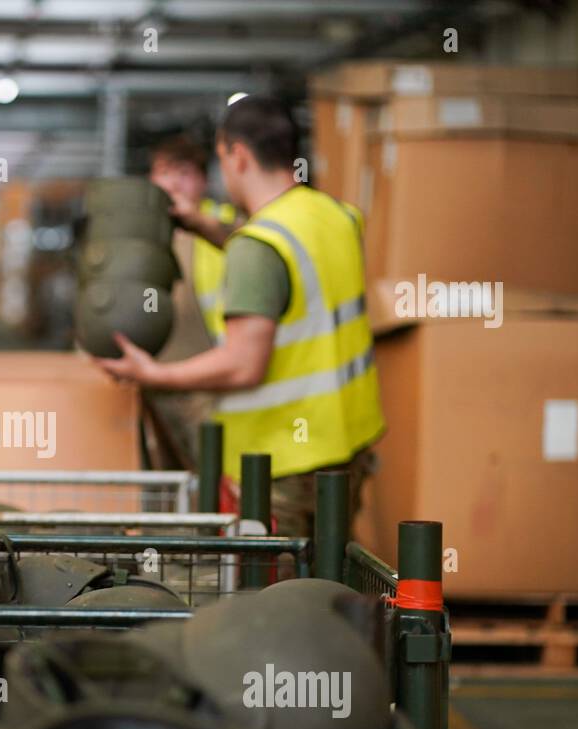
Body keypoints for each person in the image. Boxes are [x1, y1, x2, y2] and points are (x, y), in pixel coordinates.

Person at [97, 95, 385, 537]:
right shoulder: (338, 217)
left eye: (221, 159)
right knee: (332, 588)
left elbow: (243, 365)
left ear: (239, 155)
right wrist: (205, 225)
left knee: (276, 598)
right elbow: (286, 261)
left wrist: (153, 373)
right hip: (349, 447)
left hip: (282, 466)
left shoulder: (258, 245)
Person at [141, 135, 240, 473]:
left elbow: (251, 243)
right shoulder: (140, 232)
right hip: (150, 379)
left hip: (209, 381)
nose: (172, 183)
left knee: (217, 475)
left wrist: (196, 221)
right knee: (165, 479)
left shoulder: (223, 222)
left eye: (183, 173)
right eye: (163, 173)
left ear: (203, 180)